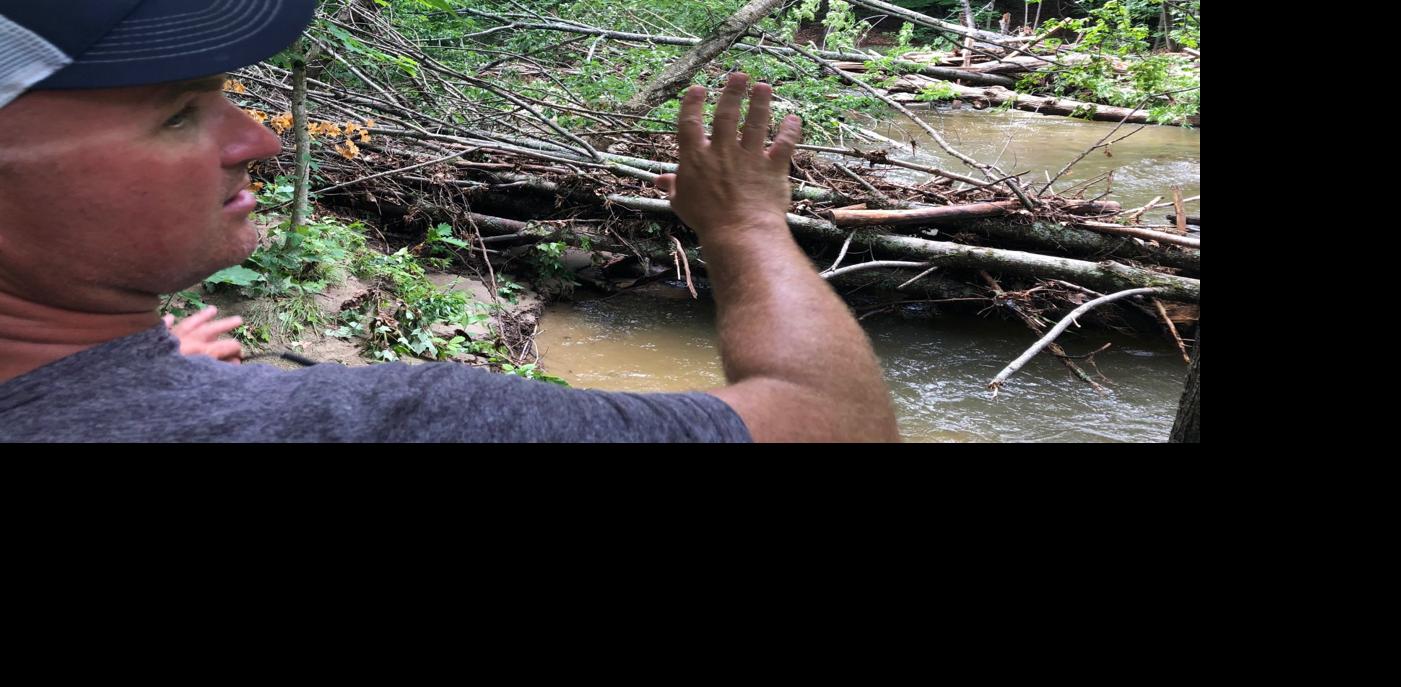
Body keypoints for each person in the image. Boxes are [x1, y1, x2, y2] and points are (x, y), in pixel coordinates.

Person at [0, 0, 899, 442]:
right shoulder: (385, 421)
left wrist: (118, 375)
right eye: (177, 111)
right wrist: (744, 224)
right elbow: (832, 422)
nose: (261, 139)